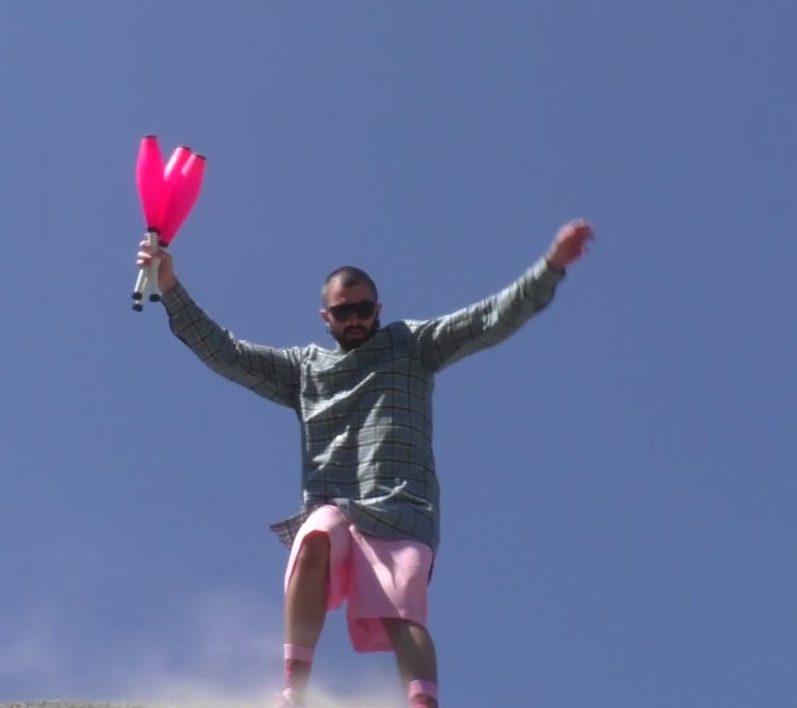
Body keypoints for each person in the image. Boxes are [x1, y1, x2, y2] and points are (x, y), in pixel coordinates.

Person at [135, 219, 595, 708]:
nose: (354, 319)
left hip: (401, 506)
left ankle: (423, 703)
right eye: (343, 312)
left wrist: (550, 269)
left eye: (363, 309)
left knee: (401, 611)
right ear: (324, 317)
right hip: (335, 503)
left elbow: (487, 320)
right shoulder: (305, 371)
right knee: (313, 539)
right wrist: (170, 287)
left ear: (379, 309)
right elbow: (226, 353)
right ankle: (296, 690)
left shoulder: (412, 345)